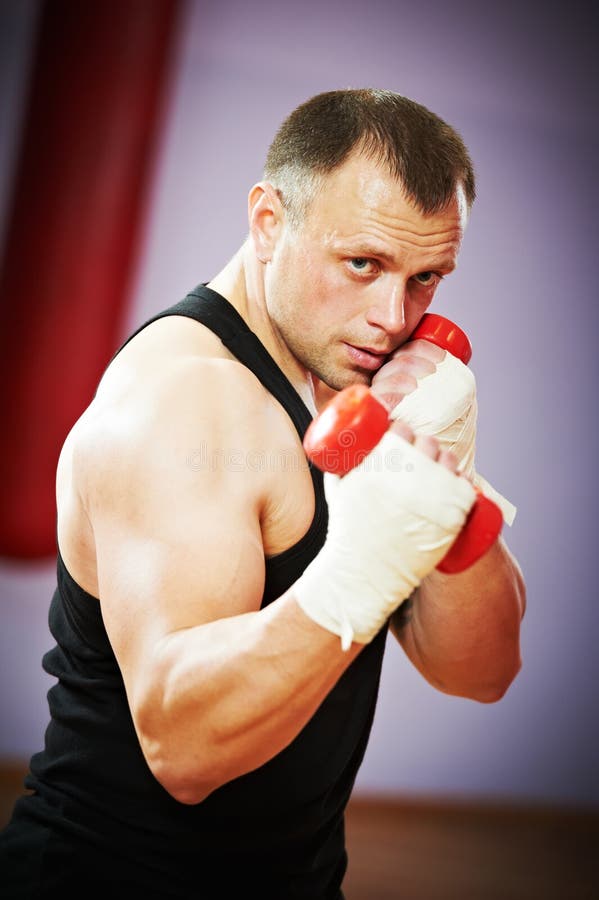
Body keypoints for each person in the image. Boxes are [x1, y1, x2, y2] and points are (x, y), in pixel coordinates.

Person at [0, 88, 526, 898]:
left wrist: (449, 483)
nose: (392, 315)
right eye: (363, 264)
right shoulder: (188, 400)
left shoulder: (352, 388)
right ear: (269, 221)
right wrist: (359, 569)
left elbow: (480, 672)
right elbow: (184, 752)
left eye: (425, 278)